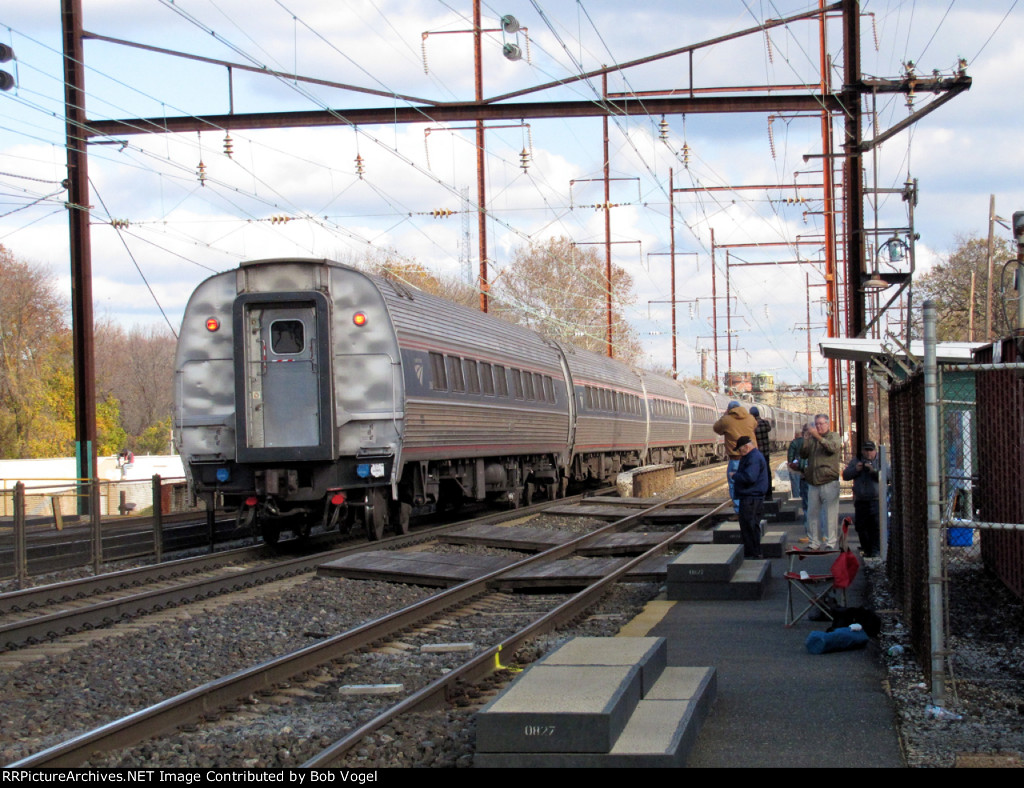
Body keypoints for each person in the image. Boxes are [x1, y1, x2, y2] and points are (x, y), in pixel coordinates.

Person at [800, 413, 841, 549]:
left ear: (827, 424)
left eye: (821, 424)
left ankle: (830, 542)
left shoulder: (834, 436)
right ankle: (814, 542)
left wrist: (817, 437)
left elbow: (832, 448)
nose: (818, 426)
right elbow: (803, 454)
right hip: (813, 481)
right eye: (816, 424)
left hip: (828, 480)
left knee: (830, 514)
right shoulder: (812, 439)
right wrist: (806, 439)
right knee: (812, 514)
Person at [842, 440, 885, 556]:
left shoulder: (880, 461)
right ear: (862, 451)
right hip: (861, 500)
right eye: (866, 450)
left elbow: (886, 477)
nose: (868, 453)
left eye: (870, 450)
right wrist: (856, 469)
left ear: (875, 451)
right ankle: (867, 549)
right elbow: (845, 475)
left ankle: (875, 550)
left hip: (876, 500)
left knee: (876, 526)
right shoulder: (856, 461)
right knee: (861, 527)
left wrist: (873, 471)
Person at [713, 401, 757, 512]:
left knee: (734, 483)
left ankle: (739, 510)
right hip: (752, 456)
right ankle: (751, 508)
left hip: (736, 457)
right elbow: (755, 426)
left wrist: (725, 415)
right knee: (751, 482)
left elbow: (716, 428)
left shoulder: (726, 420)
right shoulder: (751, 418)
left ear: (729, 410)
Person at [732, 435, 769, 559]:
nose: (739, 452)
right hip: (751, 497)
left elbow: (750, 477)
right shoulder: (754, 456)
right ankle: (752, 551)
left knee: (750, 526)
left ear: (746, 447)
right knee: (749, 526)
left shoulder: (753, 458)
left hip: (751, 498)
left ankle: (754, 552)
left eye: (740, 449)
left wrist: (735, 476)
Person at [787, 424, 812, 539]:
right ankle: (822, 534)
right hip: (818, 478)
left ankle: (810, 534)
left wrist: (795, 465)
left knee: (807, 506)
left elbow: (791, 459)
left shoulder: (796, 443)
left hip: (804, 476)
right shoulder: (818, 443)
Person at [749, 406, 774, 500]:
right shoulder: (765, 423)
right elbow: (769, 428)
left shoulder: (753, 424)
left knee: (757, 472)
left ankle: (759, 491)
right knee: (767, 471)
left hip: (757, 452)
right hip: (766, 451)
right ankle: (769, 492)